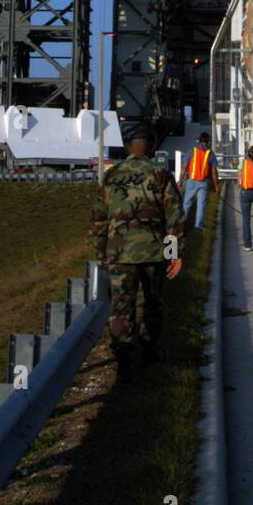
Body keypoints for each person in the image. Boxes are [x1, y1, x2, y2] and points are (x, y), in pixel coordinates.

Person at [90, 122, 184, 384]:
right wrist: (173, 254)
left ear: (127, 146)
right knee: (151, 303)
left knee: (122, 307)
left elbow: (98, 221)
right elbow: (174, 219)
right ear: (151, 147)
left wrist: (101, 253)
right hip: (154, 253)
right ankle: (150, 350)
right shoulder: (160, 175)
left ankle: (124, 362)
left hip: (119, 253)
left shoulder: (110, 177)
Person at [181, 131, 220, 230]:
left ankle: (181, 225)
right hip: (203, 183)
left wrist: (180, 180)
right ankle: (198, 227)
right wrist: (216, 186)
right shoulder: (210, 154)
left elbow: (184, 167)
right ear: (208, 142)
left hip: (191, 181)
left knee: (186, 204)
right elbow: (214, 173)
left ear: (199, 141)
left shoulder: (192, 151)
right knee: (201, 205)